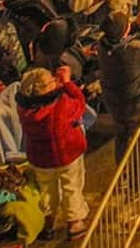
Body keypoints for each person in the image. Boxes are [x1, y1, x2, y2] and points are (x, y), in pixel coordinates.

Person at [17, 66, 92, 238]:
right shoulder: (61, 106)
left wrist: (58, 85)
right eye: (51, 81)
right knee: (71, 186)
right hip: (67, 154)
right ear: (46, 90)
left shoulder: (24, 109)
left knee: (46, 189)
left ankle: (48, 221)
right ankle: (75, 222)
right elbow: (80, 103)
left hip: (40, 158)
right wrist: (67, 83)